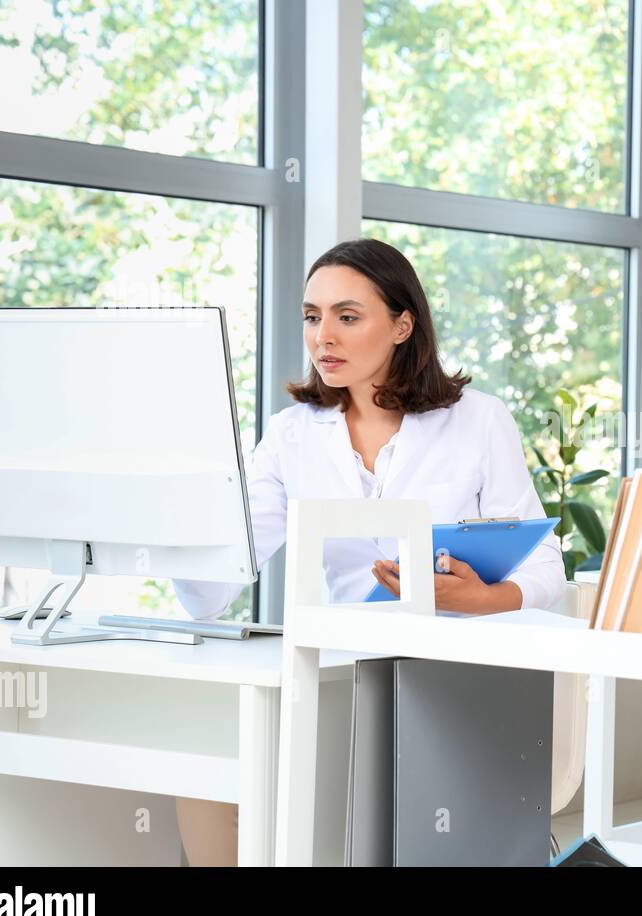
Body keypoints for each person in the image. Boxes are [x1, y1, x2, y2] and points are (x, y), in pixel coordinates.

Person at [171, 238, 566, 865]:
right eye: (312, 315)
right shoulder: (293, 434)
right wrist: (179, 528)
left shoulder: (479, 421)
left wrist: (485, 597)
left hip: (454, 673)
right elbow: (217, 583)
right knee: (209, 778)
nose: (323, 335)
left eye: (346, 316)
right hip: (343, 674)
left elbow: (547, 567)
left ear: (402, 325)